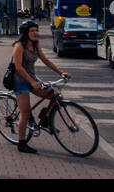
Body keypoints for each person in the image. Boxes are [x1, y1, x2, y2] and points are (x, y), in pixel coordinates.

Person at [11, 21, 70, 153]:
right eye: (32, 30)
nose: (35, 33)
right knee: (25, 113)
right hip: (20, 81)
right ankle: (21, 144)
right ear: (25, 33)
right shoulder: (19, 46)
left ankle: (45, 118)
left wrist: (61, 72)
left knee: (56, 95)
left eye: (36, 30)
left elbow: (46, 60)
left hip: (33, 78)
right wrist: (32, 83)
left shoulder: (36, 45)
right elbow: (18, 67)